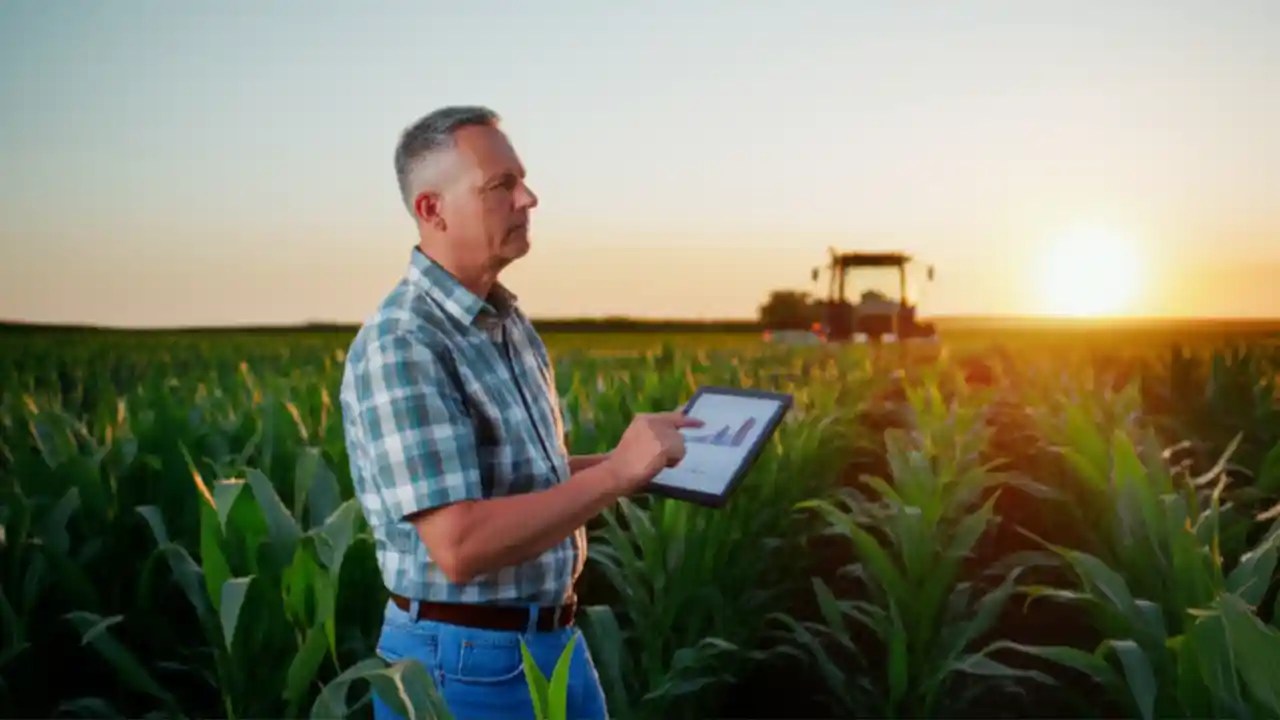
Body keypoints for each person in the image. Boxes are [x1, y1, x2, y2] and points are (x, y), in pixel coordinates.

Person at [339, 106, 702, 720]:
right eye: (500, 185)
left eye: (522, 179)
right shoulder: (406, 343)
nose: (528, 198)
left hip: (549, 641)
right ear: (433, 209)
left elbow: (526, 481)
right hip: (462, 663)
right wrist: (614, 478)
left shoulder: (504, 322)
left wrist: (629, 462)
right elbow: (459, 543)